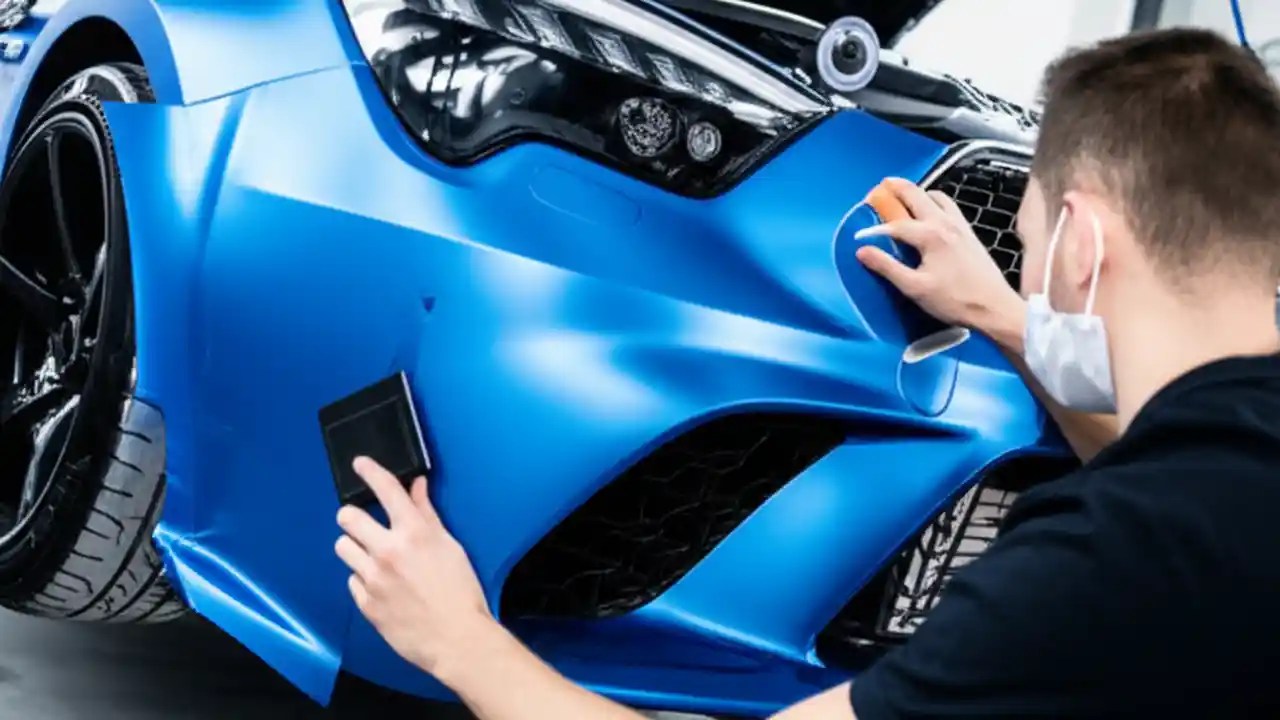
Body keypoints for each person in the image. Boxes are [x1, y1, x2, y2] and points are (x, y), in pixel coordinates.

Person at [333, 27, 1280, 719]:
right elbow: (1163, 455)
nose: (1031, 271)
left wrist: (459, 641)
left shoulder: (1099, 568)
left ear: (1081, 244)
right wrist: (997, 309)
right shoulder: (1215, 501)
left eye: (1029, 244)